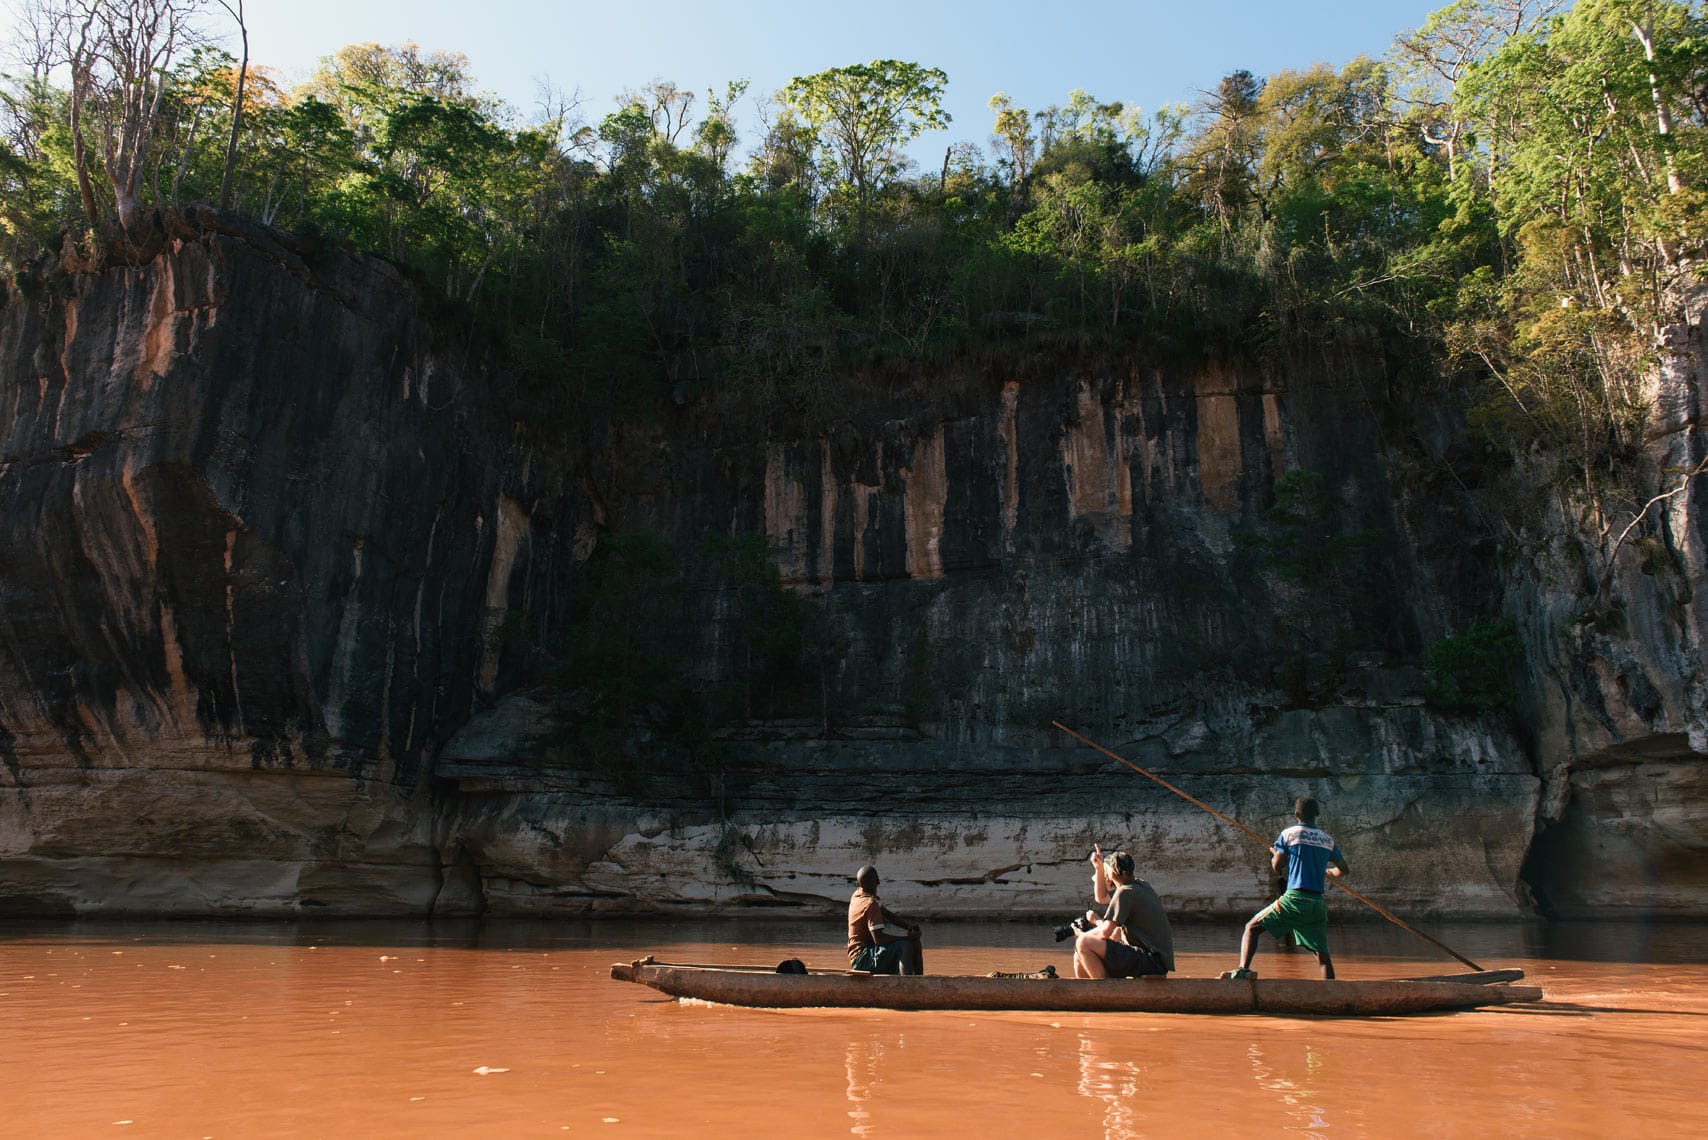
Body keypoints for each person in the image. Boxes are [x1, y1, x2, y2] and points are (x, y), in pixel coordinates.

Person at [1224, 796, 1350, 981]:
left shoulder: (1289, 834)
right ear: (1316, 815)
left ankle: (1243, 971)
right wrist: (1328, 872)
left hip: (1295, 899)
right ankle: (1331, 990)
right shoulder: (1327, 840)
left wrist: (1274, 855)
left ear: (1297, 814)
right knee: (1323, 958)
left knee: (1251, 928)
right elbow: (1344, 870)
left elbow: (1278, 867)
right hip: (1316, 904)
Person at [1072, 846, 1175, 979]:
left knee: (1083, 943)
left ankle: (1107, 993)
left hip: (1151, 961)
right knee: (1079, 953)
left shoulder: (1125, 893)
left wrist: (1081, 934)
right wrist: (1099, 868)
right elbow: (1102, 897)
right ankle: (1086, 995)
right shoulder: (1140, 885)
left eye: (1106, 872)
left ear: (1112, 874)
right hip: (1153, 961)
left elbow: (1104, 933)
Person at [846, 865, 924, 975]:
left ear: (858, 885)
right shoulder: (870, 904)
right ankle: (906, 986)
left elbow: (887, 914)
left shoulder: (857, 896)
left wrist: (909, 927)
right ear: (877, 882)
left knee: (915, 944)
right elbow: (879, 939)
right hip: (862, 959)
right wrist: (907, 938)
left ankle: (919, 982)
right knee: (906, 946)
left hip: (864, 954)